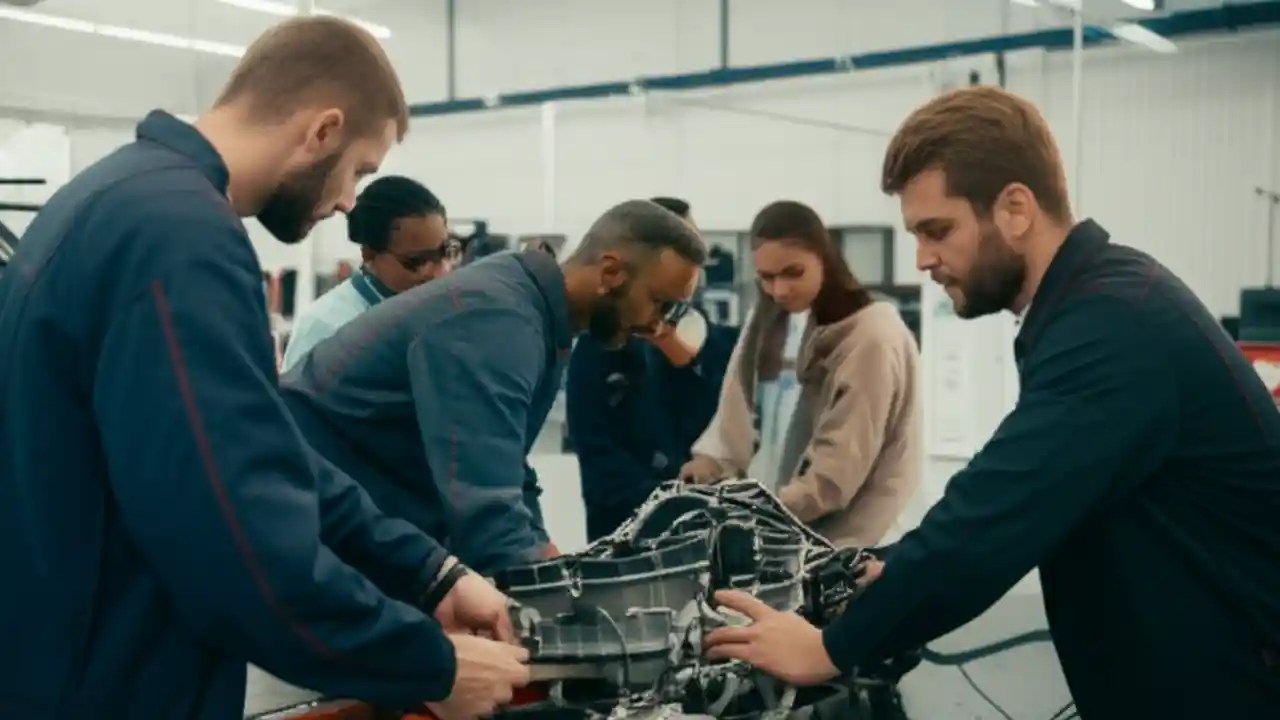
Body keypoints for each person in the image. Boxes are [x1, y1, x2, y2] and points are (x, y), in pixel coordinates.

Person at [0, 17, 530, 720]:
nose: (348, 202)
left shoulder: (123, 197)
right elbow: (233, 542)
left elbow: (257, 447)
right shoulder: (180, 238)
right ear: (322, 130)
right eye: (359, 171)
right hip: (106, 684)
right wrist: (427, 664)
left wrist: (430, 572)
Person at [703, 86, 1280, 719]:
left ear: (1014, 208)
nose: (922, 258)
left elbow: (999, 511)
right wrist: (891, 569)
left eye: (937, 230)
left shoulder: (1114, 324)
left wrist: (831, 649)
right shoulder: (1093, 306)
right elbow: (1014, 494)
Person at [279, 199, 706, 575]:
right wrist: (549, 596)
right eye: (659, 302)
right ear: (611, 272)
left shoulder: (533, 312)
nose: (659, 323)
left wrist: (548, 559)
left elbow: (506, 467)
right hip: (294, 510)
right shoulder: (498, 319)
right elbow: (483, 501)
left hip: (347, 516)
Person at [679, 200, 922, 550]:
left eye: (794, 273)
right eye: (767, 277)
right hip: (793, 533)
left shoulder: (872, 336)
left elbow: (835, 476)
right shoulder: (774, 319)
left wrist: (748, 513)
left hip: (863, 545)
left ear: (824, 258)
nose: (780, 290)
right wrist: (712, 463)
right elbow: (737, 402)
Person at [567, 196, 740, 541]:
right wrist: (664, 498)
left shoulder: (701, 336)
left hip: (697, 525)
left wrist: (688, 364)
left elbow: (723, 422)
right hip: (624, 526)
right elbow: (596, 449)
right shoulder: (600, 341)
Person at [281, 175, 458, 371]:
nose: (440, 272)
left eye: (445, 252)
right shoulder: (326, 327)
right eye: (418, 262)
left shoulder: (445, 311)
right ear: (369, 254)